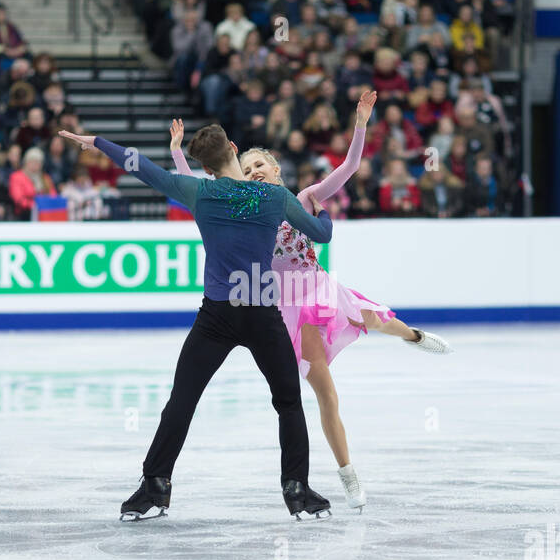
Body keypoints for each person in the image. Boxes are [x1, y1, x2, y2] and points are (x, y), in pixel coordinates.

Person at [169, 93, 453, 511]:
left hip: (320, 290)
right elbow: (192, 188)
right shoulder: (243, 205)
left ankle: (413, 335)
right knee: (325, 394)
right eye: (246, 169)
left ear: (276, 167)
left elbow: (350, 168)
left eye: (260, 164)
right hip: (285, 310)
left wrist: (360, 124)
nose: (253, 172)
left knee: (376, 318)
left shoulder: (303, 198)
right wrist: (178, 153)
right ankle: (347, 472)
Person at [57, 123, 335, 522]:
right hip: (261, 315)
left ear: (205, 167)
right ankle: (297, 490)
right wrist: (322, 209)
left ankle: (154, 486)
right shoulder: (276, 196)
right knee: (288, 402)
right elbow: (321, 235)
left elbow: (141, 167)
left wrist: (99, 143)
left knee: (182, 403)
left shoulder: (198, 191)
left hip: (217, 316)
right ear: (234, 149)